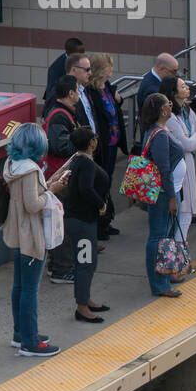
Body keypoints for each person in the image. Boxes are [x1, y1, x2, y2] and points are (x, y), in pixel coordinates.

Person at [3, 123, 68, 356]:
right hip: (31, 234)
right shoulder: (30, 170)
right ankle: (30, 342)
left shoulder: (12, 164)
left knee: (19, 286)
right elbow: (33, 204)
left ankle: (20, 334)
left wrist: (48, 186)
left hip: (17, 231)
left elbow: (25, 197)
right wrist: (52, 191)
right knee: (30, 289)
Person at [61, 127, 110, 323]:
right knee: (85, 263)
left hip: (81, 220)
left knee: (88, 262)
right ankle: (82, 307)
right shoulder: (86, 164)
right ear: (92, 143)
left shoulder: (78, 160)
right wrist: (101, 204)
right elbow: (86, 188)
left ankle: (85, 299)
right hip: (82, 222)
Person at [138, 93, 183, 298]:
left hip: (165, 192)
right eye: (169, 104)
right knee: (159, 237)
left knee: (163, 235)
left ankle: (165, 276)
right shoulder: (160, 135)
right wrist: (172, 197)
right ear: (162, 110)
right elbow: (164, 170)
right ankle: (160, 284)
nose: (171, 106)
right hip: (163, 194)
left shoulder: (156, 130)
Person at [161, 74, 196, 249]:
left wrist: (192, 138)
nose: (187, 88)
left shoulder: (188, 111)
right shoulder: (171, 118)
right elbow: (186, 144)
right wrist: (192, 139)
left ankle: (179, 259)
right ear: (173, 92)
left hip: (188, 164)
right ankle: (176, 259)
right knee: (181, 216)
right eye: (182, 86)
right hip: (178, 168)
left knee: (186, 215)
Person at [43, 75, 80, 285]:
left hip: (61, 177)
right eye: (77, 90)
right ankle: (61, 269)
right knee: (62, 224)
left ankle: (55, 266)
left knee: (60, 223)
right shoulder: (59, 116)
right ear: (70, 93)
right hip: (59, 178)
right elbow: (59, 146)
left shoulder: (65, 114)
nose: (79, 94)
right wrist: (81, 142)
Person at [85, 52, 126, 241]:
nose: (110, 75)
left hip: (113, 141)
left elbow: (114, 106)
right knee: (101, 182)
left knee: (108, 180)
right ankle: (100, 224)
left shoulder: (107, 87)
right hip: (102, 144)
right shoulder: (91, 92)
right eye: (107, 71)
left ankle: (106, 220)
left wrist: (119, 99)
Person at [43, 37, 84, 108]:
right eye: (79, 54)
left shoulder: (75, 61)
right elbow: (52, 91)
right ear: (70, 53)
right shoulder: (56, 68)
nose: (82, 56)